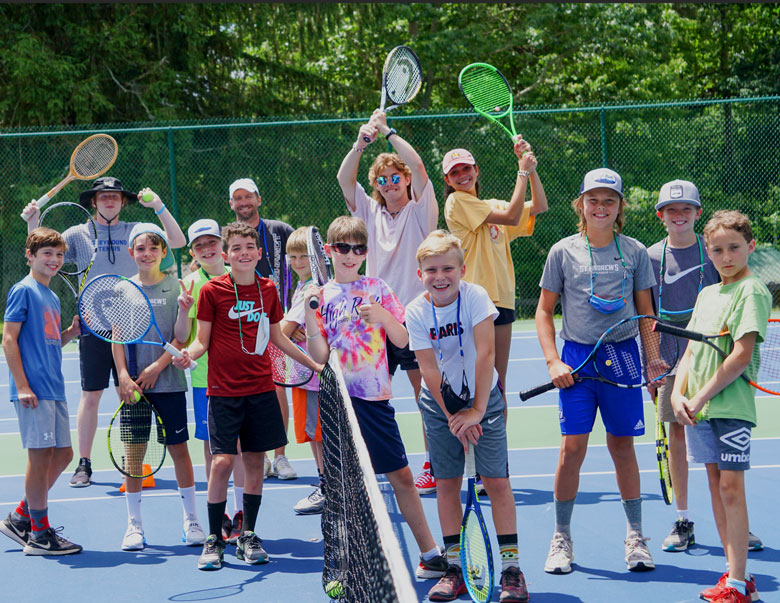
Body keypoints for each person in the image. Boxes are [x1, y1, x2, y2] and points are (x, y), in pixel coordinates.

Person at [303, 216, 446, 580]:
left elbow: (402, 340)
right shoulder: (321, 297)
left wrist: (383, 316)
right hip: (338, 404)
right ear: (330, 251)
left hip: (374, 401)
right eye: (343, 248)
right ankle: (349, 562)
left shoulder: (377, 288)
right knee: (347, 488)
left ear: (365, 253)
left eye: (358, 249)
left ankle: (430, 554)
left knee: (402, 476)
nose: (350, 255)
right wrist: (309, 315)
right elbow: (319, 357)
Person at [172, 222, 322, 571]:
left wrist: (314, 364)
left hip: (261, 390)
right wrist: (189, 354)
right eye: (236, 248)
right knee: (222, 462)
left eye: (249, 247)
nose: (243, 253)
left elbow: (278, 337)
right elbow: (201, 340)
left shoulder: (268, 289)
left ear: (259, 253)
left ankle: (248, 534)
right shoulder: (212, 291)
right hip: (223, 393)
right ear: (227, 256)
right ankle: (213, 538)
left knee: (255, 462)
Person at [23, 177, 186, 488]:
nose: (109, 200)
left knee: (132, 393)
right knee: (91, 396)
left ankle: (132, 460)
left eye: (114, 196)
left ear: (123, 202)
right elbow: (42, 251)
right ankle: (84, 463)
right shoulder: (77, 234)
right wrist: (33, 222)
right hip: (94, 327)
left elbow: (176, 242)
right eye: (103, 196)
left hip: (133, 330)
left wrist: (159, 206)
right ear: (93, 202)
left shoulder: (136, 231)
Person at [535, 168, 656, 574]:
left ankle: (636, 537)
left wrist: (653, 360)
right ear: (581, 205)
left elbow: (645, 312)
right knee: (572, 449)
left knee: (622, 447)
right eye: (593, 200)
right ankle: (561, 538)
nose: (601, 207)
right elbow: (543, 311)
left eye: (609, 201)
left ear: (620, 207)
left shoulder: (635, 251)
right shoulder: (562, 251)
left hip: (623, 358)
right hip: (577, 360)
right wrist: (553, 360)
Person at [406, 230, 528, 602]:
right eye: (431, 270)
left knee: (497, 482)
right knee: (446, 484)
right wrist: (454, 418)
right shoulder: (415, 311)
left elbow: (486, 354)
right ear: (420, 274)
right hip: (438, 405)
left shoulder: (476, 297)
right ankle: (455, 568)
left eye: (447, 268)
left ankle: (511, 570)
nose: (440, 276)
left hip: (483, 398)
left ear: (461, 270)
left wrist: (475, 411)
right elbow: (428, 370)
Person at [671, 210, 770, 603]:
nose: (726, 257)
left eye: (734, 247)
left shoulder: (752, 291)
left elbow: (741, 355)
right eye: (717, 250)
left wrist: (699, 397)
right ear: (707, 252)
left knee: (730, 488)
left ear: (750, 246)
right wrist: (678, 394)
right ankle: (736, 576)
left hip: (731, 408)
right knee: (715, 486)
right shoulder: (707, 294)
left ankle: (737, 584)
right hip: (699, 411)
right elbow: (690, 351)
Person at [337, 110, 439, 494]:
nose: (390, 184)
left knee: (425, 394)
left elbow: (419, 165)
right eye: (382, 180)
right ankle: (363, 467)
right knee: (365, 396)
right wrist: (360, 144)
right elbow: (344, 179)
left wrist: (387, 132)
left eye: (396, 177)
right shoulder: (369, 211)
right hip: (372, 320)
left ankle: (433, 464)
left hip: (412, 318)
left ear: (406, 180)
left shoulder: (420, 210)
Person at [112, 223, 205, 551]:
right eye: (141, 249)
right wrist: (123, 375)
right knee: (134, 454)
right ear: (131, 253)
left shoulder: (175, 286)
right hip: (133, 388)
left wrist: (156, 367)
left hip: (168, 384)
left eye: (154, 248)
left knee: (179, 450)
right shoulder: (123, 289)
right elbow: (117, 337)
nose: (147, 254)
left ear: (164, 252)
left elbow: (181, 337)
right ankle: (134, 525)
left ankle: (192, 520)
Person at [442, 142, 547, 409]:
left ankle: (497, 437)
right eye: (455, 172)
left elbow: (539, 205)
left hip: (502, 300)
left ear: (476, 170)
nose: (462, 175)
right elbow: (512, 216)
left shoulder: (492, 207)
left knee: (498, 384)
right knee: (476, 381)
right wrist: (521, 172)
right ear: (447, 180)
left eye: (466, 168)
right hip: (474, 301)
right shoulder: (456, 201)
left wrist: (531, 168)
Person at [0, 228, 82, 555]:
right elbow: (9, 339)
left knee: (64, 454)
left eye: (59, 254)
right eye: (47, 253)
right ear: (30, 256)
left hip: (53, 387)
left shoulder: (51, 296)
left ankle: (21, 517)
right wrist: (22, 385)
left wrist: (70, 333)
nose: (54, 259)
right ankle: (39, 533)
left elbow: (49, 341)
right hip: (33, 388)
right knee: (39, 456)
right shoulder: (23, 290)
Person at [181, 219, 246, 543]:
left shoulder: (242, 275)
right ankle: (218, 513)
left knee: (241, 447)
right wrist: (183, 312)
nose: (206, 249)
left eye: (211, 242)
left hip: (242, 377)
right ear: (193, 252)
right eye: (199, 245)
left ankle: (241, 512)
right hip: (205, 379)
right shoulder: (190, 284)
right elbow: (185, 336)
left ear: (222, 245)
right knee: (212, 449)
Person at [228, 177, 297, 481]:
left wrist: (295, 317)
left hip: (276, 325)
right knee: (249, 393)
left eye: (248, 197)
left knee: (277, 389)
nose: (243, 202)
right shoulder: (228, 236)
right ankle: (261, 457)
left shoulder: (280, 230)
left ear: (258, 199)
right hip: (240, 329)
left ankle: (280, 456)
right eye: (238, 198)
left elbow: (304, 262)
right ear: (232, 204)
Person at [281, 228, 325, 515]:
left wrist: (285, 329)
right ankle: (326, 482)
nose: (297, 262)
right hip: (304, 376)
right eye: (292, 257)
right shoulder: (301, 286)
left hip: (312, 377)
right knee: (315, 435)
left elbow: (282, 331)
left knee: (319, 435)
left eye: (304, 257)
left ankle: (328, 487)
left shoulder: (311, 288)